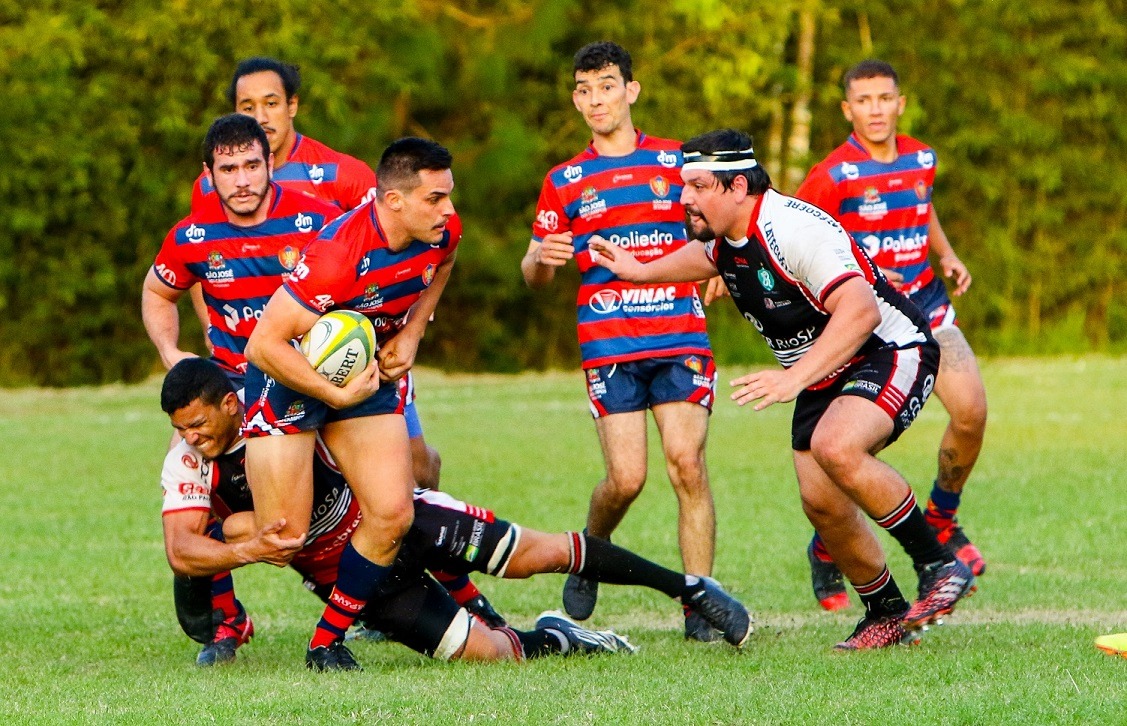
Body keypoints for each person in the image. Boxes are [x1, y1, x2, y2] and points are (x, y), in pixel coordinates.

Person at [589, 128, 977, 649]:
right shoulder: (728, 236)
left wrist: (793, 377)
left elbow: (860, 311)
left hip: (888, 347)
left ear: (737, 187)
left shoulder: (791, 227)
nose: (685, 198)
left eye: (698, 186)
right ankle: (885, 612)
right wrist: (640, 272)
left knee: (836, 446)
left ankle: (939, 565)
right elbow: (705, 258)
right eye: (684, 186)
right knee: (820, 502)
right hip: (826, 366)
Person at [160, 358, 750, 665]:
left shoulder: (283, 408)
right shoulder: (188, 460)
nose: (189, 438)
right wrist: (249, 546)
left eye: (197, 424)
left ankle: (688, 587)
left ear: (231, 405)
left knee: (537, 554)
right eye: (179, 430)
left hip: (403, 522)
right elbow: (181, 548)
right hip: (351, 580)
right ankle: (565, 639)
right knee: (488, 655)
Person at [520, 41, 720, 641]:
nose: (595, 99)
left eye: (606, 85)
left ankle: (701, 604)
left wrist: (720, 271)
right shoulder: (564, 180)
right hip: (609, 344)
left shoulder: (679, 162)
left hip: (679, 333)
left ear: (630, 90)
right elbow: (535, 274)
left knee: (687, 465)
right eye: (583, 90)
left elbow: (721, 231)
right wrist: (537, 257)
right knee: (626, 479)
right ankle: (595, 547)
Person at [242, 137, 460, 671]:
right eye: (435, 198)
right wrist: (334, 393)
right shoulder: (338, 256)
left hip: (365, 374)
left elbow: (447, 260)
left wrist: (411, 334)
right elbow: (262, 345)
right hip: (289, 377)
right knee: (285, 536)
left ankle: (326, 642)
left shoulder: (441, 231)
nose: (449, 210)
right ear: (393, 202)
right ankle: (204, 523)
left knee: (391, 514)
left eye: (450, 195)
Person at [191, 56, 441, 489]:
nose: (260, 116)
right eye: (246, 106)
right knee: (271, 488)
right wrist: (213, 334)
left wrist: (409, 326)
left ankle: (432, 543)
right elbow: (200, 261)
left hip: (354, 345)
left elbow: (406, 243)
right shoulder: (215, 182)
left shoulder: (341, 175)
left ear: (292, 106)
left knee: (416, 468)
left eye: (270, 103)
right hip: (272, 356)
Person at [794, 59, 988, 610]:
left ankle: (942, 520)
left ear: (900, 103)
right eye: (864, 100)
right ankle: (827, 540)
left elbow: (921, 209)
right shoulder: (833, 174)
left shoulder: (921, 157)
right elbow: (801, 237)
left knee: (971, 411)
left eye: (885, 98)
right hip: (871, 320)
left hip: (927, 303)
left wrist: (946, 255)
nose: (875, 109)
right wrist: (862, 270)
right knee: (855, 446)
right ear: (846, 109)